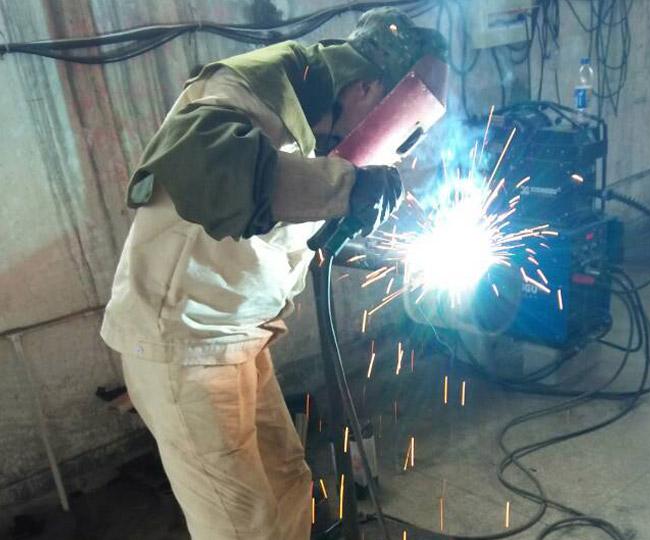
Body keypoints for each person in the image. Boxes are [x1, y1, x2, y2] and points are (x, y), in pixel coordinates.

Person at [101, 8, 446, 540]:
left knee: (288, 482)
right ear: (366, 86)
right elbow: (215, 171)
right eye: (395, 119)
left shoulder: (325, 123)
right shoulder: (250, 87)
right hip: (183, 345)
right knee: (242, 524)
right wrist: (347, 189)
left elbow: (287, 215)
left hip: (239, 338)